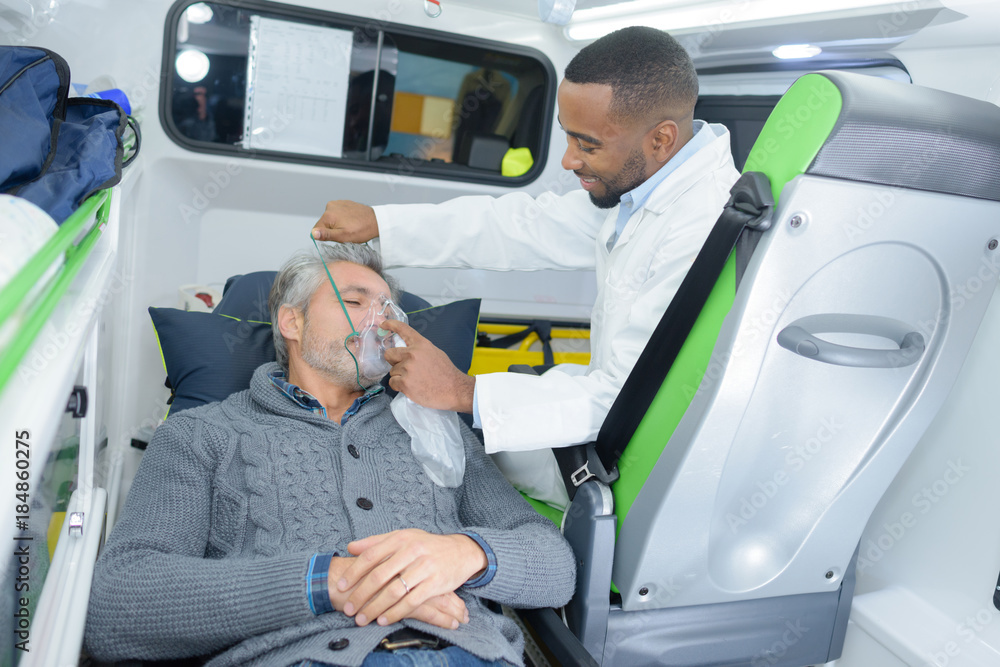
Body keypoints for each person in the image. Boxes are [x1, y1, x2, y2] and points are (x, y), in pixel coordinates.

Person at [84, 243, 576, 667]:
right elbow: (116, 601)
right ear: (291, 322)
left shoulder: (437, 429)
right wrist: (330, 583)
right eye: (355, 301)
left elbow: (556, 566)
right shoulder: (202, 435)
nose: (377, 321)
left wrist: (465, 555)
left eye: (387, 309)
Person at [312, 27, 740, 508]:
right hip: (603, 433)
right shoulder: (644, 192)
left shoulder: (700, 227)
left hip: (642, 468)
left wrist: (463, 391)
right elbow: (521, 227)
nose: (569, 158)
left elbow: (623, 396)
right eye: (567, 135)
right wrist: (381, 223)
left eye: (588, 144)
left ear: (661, 139)